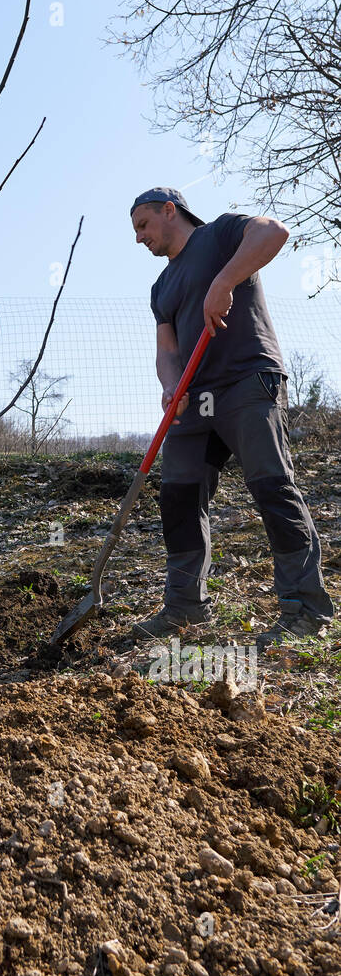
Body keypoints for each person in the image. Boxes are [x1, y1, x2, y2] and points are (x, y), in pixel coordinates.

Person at [129, 187, 333, 646]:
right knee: (178, 496)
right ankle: (185, 606)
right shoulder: (161, 286)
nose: (138, 238)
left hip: (246, 379)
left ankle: (304, 607)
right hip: (195, 397)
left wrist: (224, 283)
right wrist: (169, 385)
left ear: (169, 211)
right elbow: (167, 350)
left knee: (270, 485)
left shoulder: (220, 234)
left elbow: (273, 232)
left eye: (143, 225)